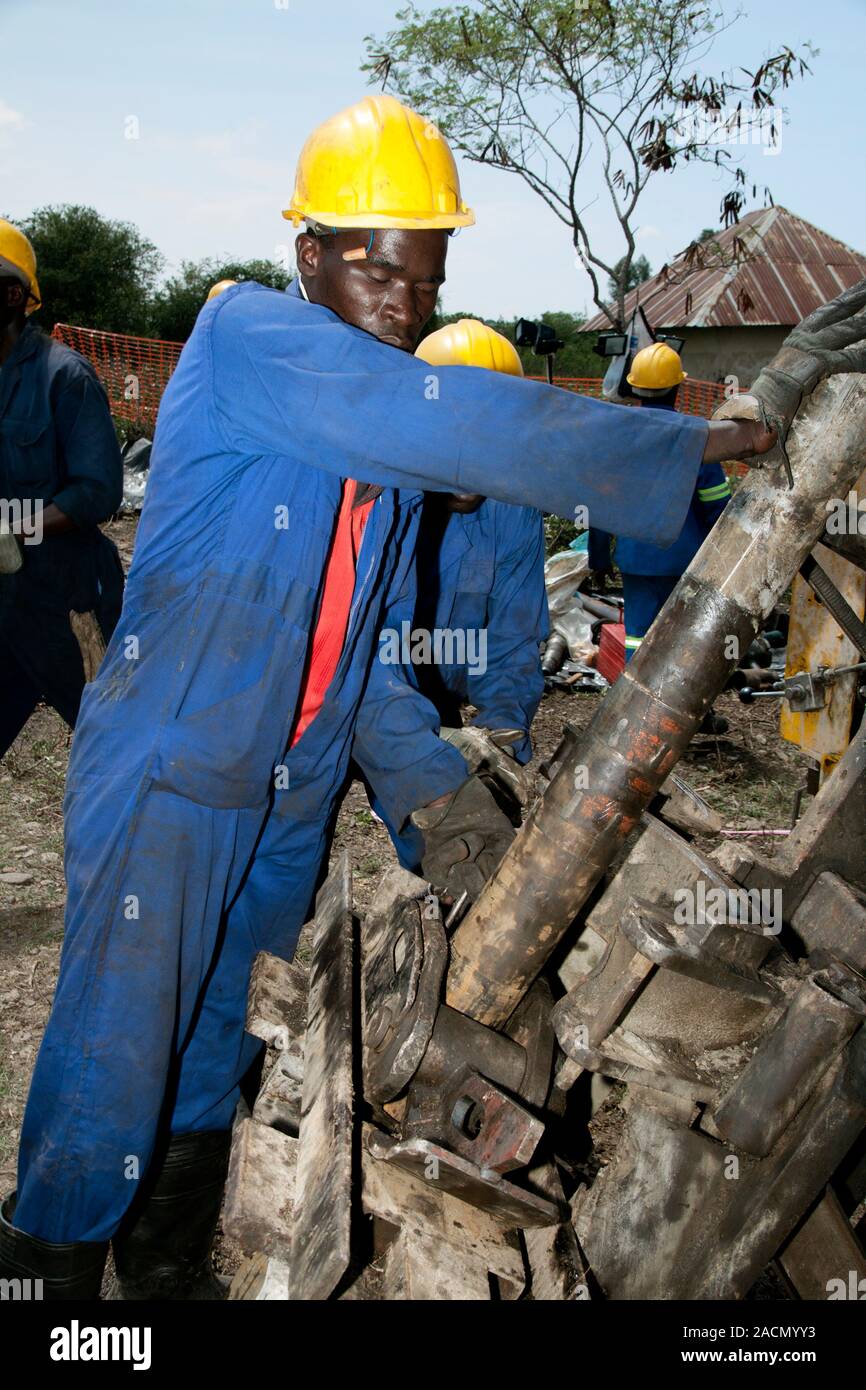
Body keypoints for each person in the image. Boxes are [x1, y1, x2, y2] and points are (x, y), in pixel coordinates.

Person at [0, 95, 774, 1301]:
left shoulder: (390, 457)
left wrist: (439, 795)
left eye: (425, 276)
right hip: (173, 770)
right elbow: (457, 415)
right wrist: (694, 446)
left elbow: (361, 661)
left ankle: (161, 1287)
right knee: (114, 1044)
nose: (403, 302)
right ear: (308, 253)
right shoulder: (251, 339)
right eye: (377, 269)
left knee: (214, 1042)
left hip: (281, 797)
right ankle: (44, 1287)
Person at [375, 318, 548, 870]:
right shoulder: (381, 502)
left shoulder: (514, 508)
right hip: (370, 690)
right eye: (456, 435)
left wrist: (504, 729)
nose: (474, 461)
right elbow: (375, 659)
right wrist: (425, 764)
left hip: (446, 683)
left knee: (453, 848)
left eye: (490, 435)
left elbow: (513, 638)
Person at [0, 219, 123, 757]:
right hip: (3, 610)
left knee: (112, 746)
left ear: (13, 294)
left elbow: (98, 492)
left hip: (66, 605)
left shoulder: (63, 377)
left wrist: (13, 525)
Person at [588, 342, 733, 733]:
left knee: (638, 636)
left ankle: (633, 718)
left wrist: (598, 557)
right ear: (678, 388)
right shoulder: (699, 437)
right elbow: (718, 506)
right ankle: (690, 716)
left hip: (637, 559)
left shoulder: (618, 440)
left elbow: (600, 507)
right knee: (688, 640)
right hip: (688, 561)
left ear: (634, 388)